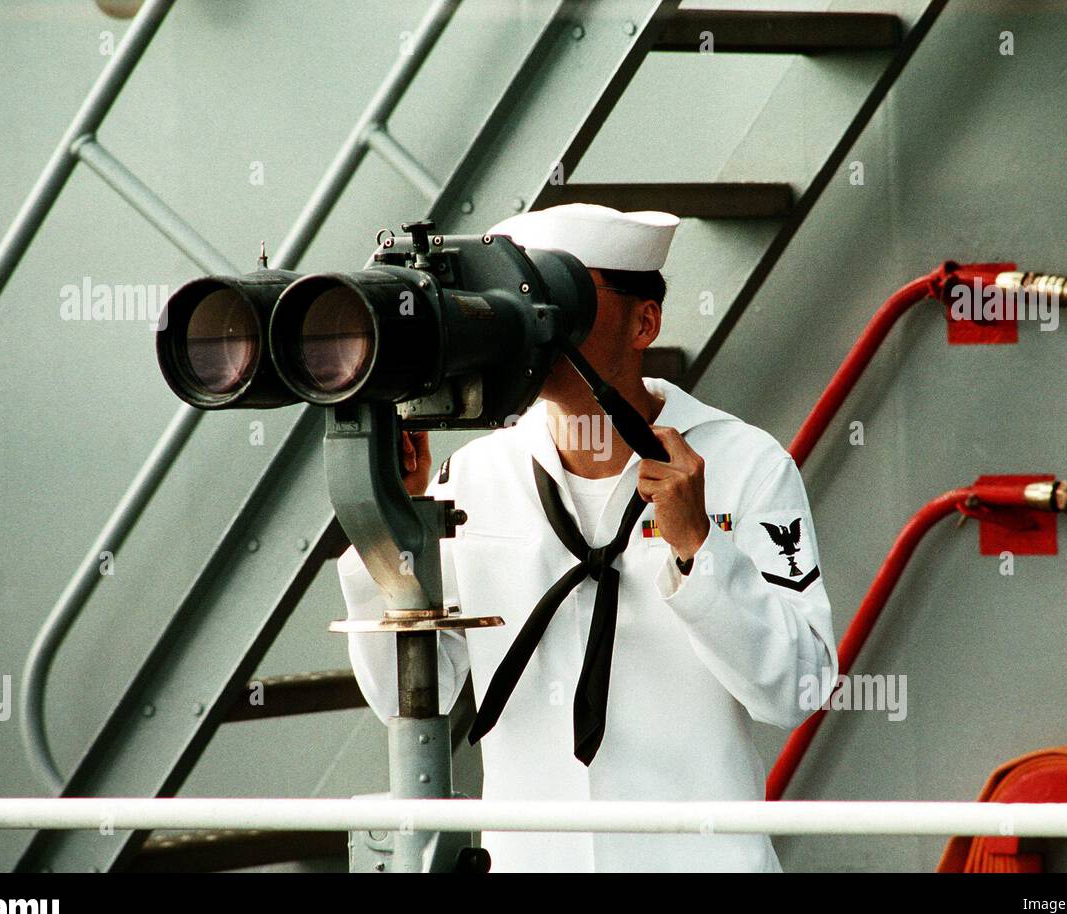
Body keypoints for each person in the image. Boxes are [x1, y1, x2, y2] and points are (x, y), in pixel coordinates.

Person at [338, 203, 837, 872]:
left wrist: (699, 552)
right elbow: (404, 697)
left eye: (564, 297)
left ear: (645, 322)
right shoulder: (477, 476)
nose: (538, 322)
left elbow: (798, 693)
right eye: (523, 294)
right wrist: (392, 525)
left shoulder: (745, 465)